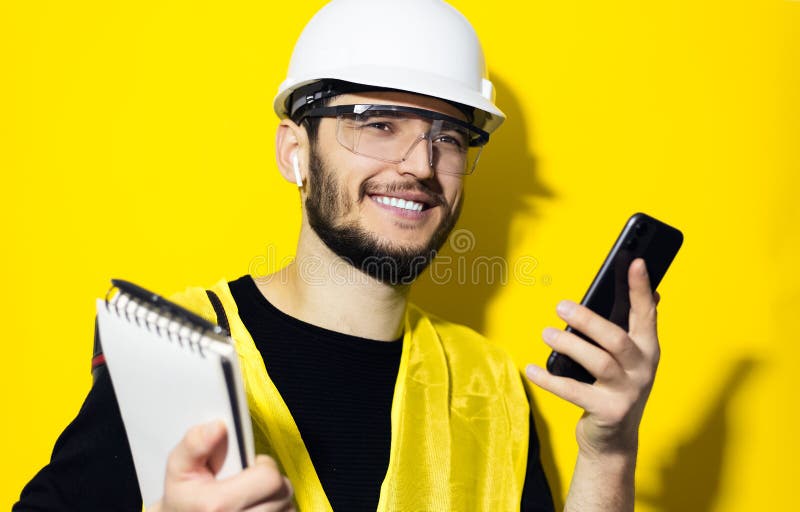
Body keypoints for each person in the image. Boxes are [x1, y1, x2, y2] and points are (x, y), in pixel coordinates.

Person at [14, 1, 662, 511]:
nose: (422, 165)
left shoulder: (490, 387)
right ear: (294, 151)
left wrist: (608, 451)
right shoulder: (170, 357)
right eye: (378, 123)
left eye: (451, 137)